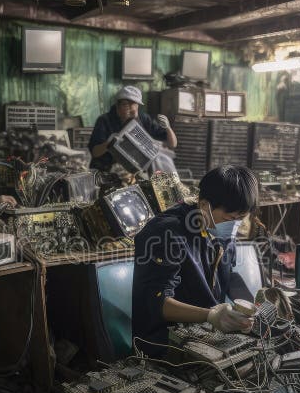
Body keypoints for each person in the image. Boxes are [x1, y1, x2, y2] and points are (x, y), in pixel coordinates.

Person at [132, 166, 258, 354]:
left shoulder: (219, 227)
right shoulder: (165, 233)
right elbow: (156, 301)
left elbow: (229, 275)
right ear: (204, 205)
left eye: (241, 218)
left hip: (206, 332)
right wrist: (210, 315)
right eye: (230, 217)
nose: (235, 225)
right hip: (163, 341)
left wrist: (252, 309)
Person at [88, 86, 177, 173]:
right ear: (117, 106)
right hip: (108, 169)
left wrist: (168, 128)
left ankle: (168, 187)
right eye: (125, 104)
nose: (131, 108)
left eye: (134, 104)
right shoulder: (104, 120)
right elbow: (95, 152)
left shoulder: (143, 118)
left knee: (163, 160)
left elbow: (173, 144)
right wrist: (110, 143)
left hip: (136, 169)